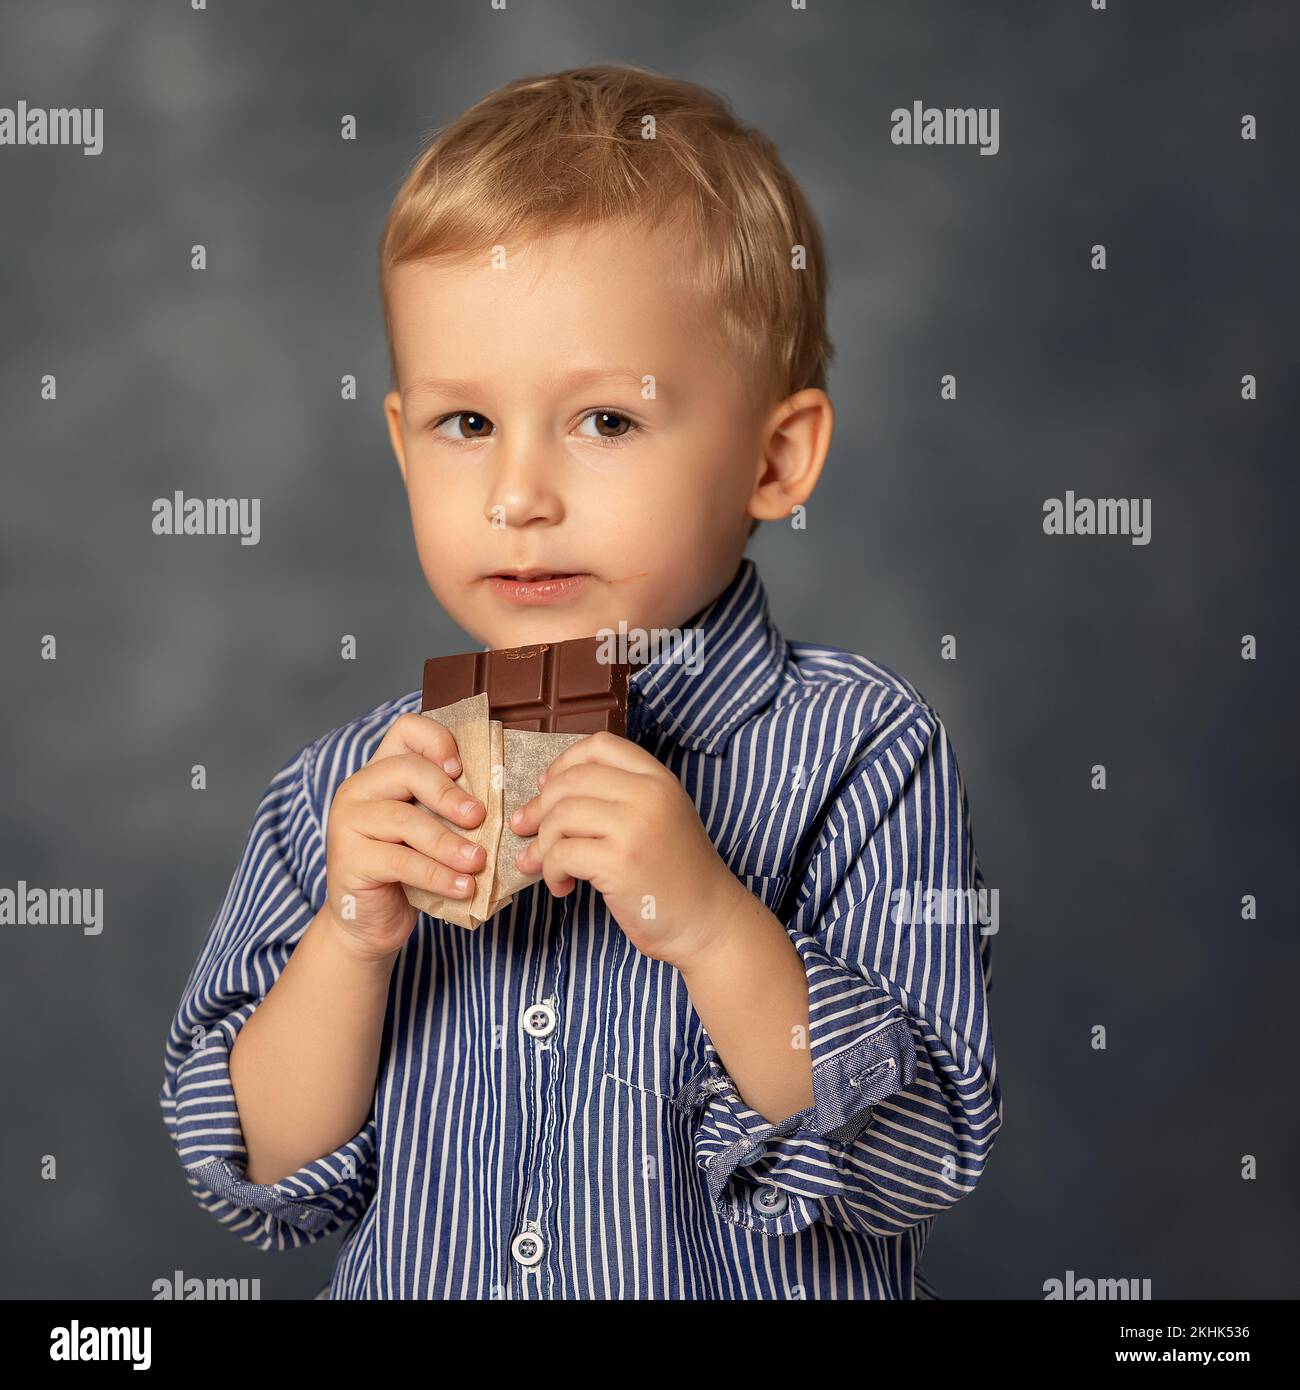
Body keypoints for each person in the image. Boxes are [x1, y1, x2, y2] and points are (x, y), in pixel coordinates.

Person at [159, 63, 1001, 1300]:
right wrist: (350, 941)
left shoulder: (863, 751)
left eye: (605, 420)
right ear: (401, 444)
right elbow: (265, 1176)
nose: (517, 496)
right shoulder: (343, 795)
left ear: (775, 458)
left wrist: (714, 925)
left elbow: (913, 1155)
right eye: (465, 426)